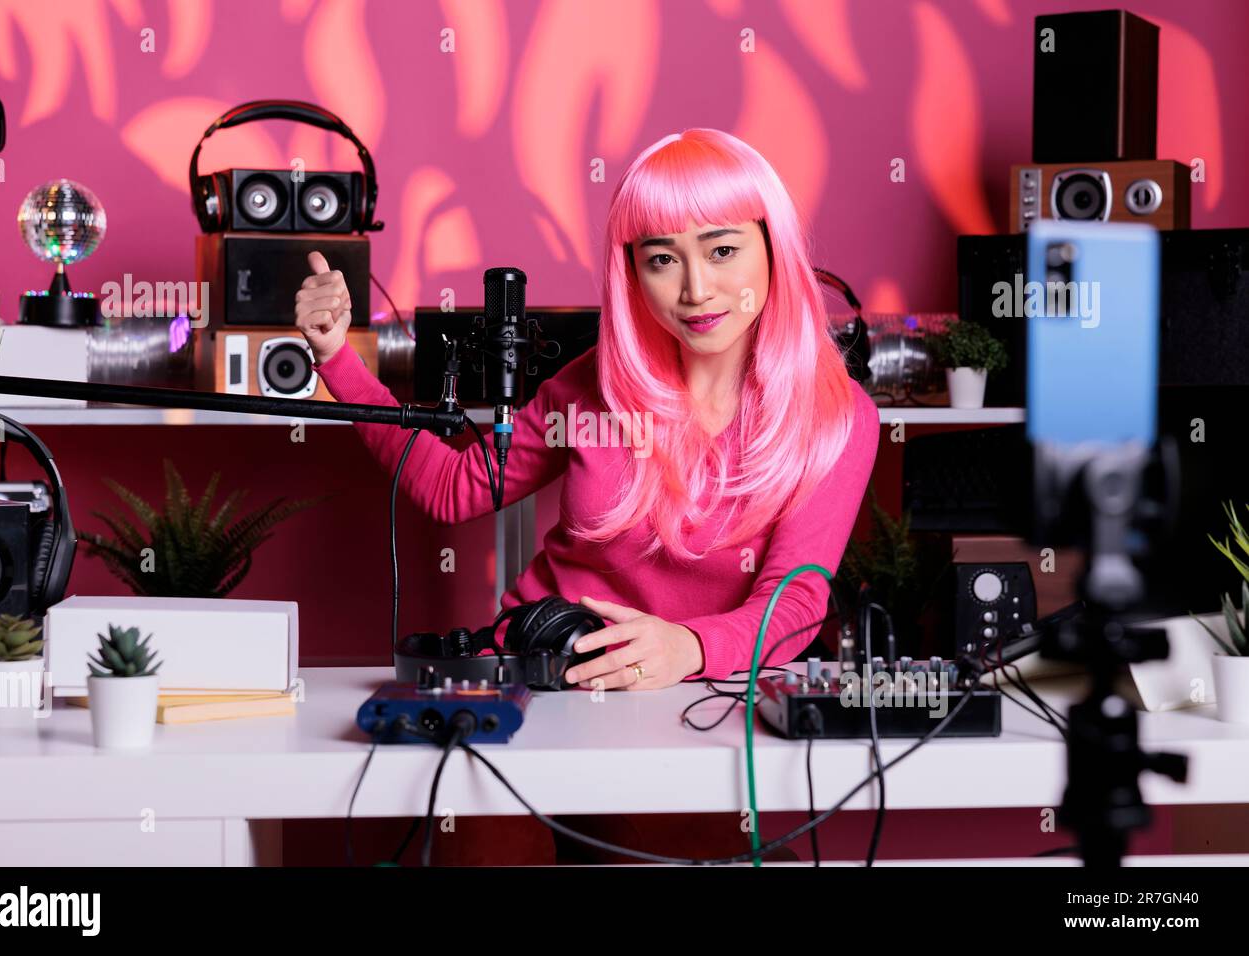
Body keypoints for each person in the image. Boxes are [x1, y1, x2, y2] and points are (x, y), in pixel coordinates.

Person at [294, 128, 880, 863]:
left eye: (723, 249)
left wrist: (688, 646)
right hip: (548, 686)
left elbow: (795, 605)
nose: (696, 289)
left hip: (698, 699)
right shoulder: (590, 386)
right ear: (631, 272)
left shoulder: (838, 418)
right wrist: (335, 357)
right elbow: (451, 491)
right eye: (663, 259)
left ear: (773, 248)